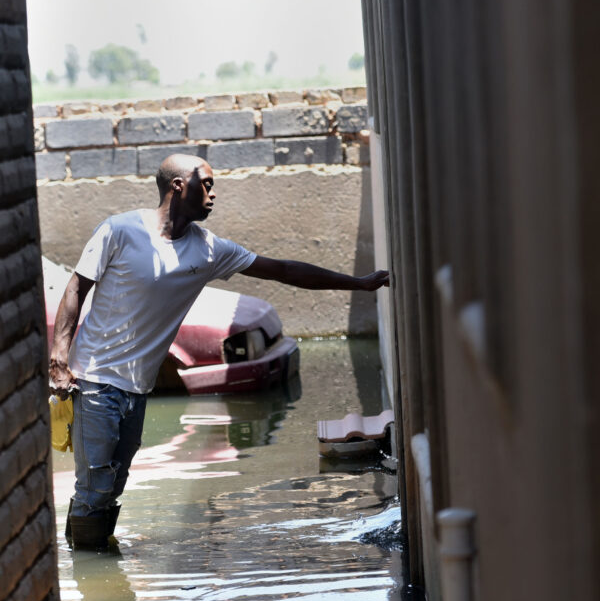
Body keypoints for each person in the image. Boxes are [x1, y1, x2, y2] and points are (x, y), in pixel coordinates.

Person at [49, 154, 389, 549]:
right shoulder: (119, 231)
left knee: (112, 485)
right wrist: (59, 359)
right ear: (179, 187)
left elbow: (282, 270)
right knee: (95, 485)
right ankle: (93, 582)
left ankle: (86, 557)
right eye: (206, 184)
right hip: (95, 379)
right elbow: (76, 287)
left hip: (137, 389)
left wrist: (358, 284)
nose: (213, 193)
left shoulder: (208, 250)